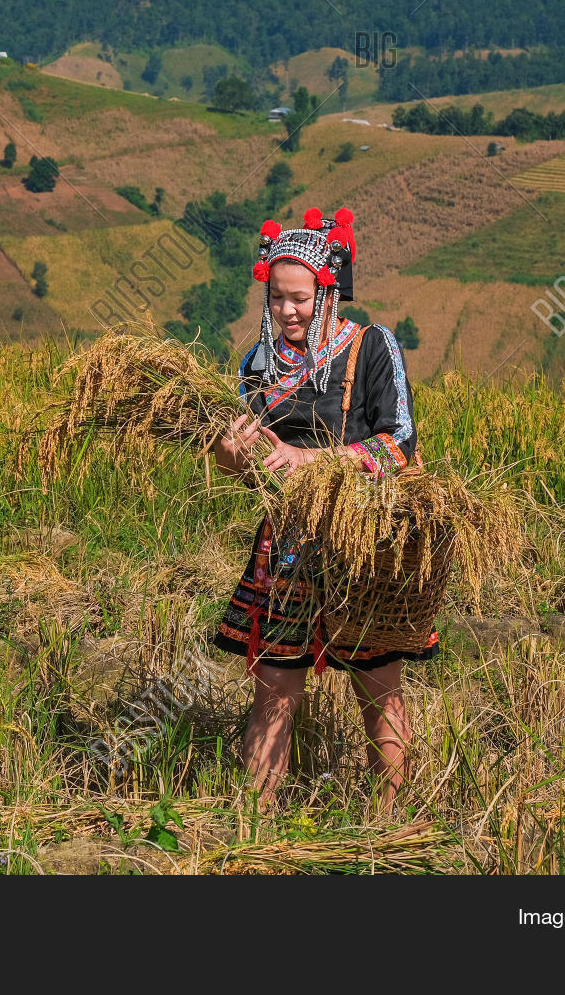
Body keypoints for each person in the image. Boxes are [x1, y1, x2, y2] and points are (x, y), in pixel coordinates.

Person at [209, 206, 436, 813]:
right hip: (287, 547)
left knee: (376, 680)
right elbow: (251, 466)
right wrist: (231, 453)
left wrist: (308, 461)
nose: (287, 311)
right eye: (277, 297)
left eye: (301, 299)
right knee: (274, 683)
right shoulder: (258, 365)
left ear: (328, 293)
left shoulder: (371, 349)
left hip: (362, 539)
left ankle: (389, 823)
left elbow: (399, 443)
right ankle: (252, 828)